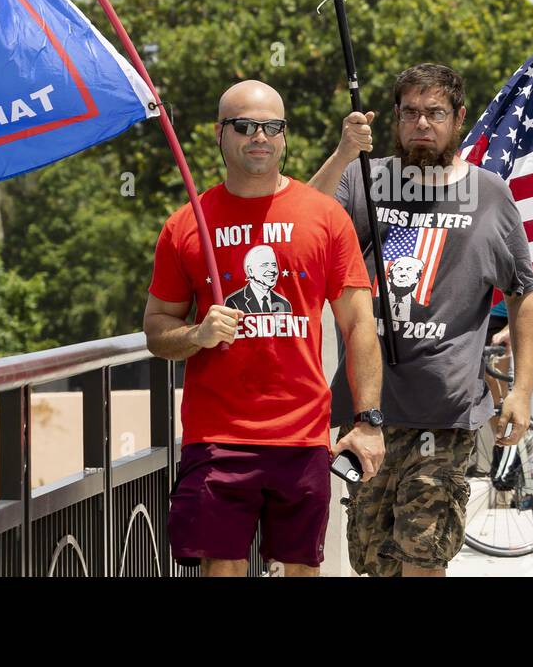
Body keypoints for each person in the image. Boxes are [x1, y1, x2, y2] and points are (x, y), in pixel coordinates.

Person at [144, 79, 384, 577]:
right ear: (219, 133)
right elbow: (155, 328)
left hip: (302, 437)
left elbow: (360, 323)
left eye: (272, 127)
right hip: (217, 436)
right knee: (221, 566)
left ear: (284, 135)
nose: (259, 136)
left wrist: (368, 421)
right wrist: (195, 335)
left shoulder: (325, 217)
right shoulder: (186, 224)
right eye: (245, 126)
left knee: (299, 567)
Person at [310, 62, 533, 578]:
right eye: (410, 112)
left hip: (446, 408)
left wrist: (522, 390)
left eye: (435, 113)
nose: (421, 124)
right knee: (374, 561)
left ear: (459, 118)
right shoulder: (366, 178)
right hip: (369, 407)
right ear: (394, 118)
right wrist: (345, 151)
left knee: (422, 556)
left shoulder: (489, 193)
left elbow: (525, 294)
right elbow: (299, 225)